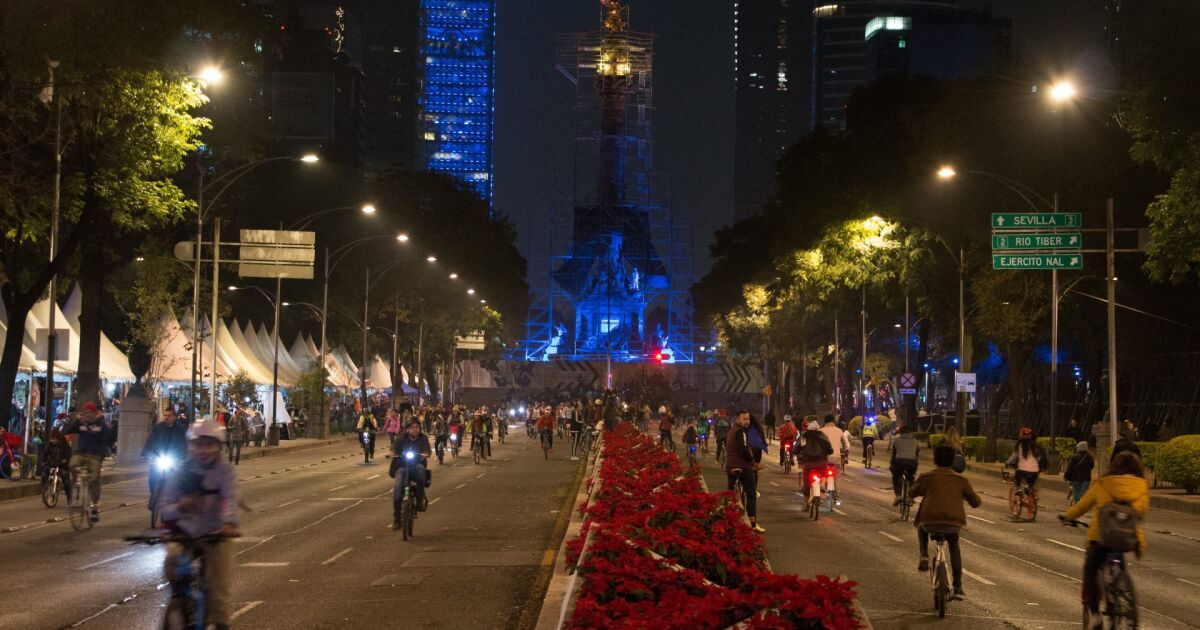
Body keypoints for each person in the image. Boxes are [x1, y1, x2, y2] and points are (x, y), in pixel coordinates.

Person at [159, 420, 240, 630]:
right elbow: (165, 507)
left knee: (219, 590)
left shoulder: (224, 472)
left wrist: (228, 524)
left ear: (218, 447)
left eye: (208, 445)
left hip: (215, 534)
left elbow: (228, 501)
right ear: (190, 446)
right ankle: (179, 602)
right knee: (172, 561)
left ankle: (221, 623)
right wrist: (181, 507)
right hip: (184, 532)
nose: (202, 450)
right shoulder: (179, 471)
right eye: (197, 444)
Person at [1060, 452, 1149, 628]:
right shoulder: (1141, 486)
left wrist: (1068, 516)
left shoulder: (1104, 483)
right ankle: (1121, 596)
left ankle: (1094, 613)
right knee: (1119, 569)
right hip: (1126, 539)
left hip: (1100, 538)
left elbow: (1083, 504)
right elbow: (1141, 513)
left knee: (1090, 571)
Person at [912, 444, 983, 601]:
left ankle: (923, 555)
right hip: (953, 523)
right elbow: (976, 502)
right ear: (952, 461)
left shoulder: (927, 477)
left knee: (921, 525)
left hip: (930, 522)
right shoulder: (961, 480)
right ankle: (958, 587)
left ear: (935, 460)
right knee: (954, 546)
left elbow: (912, 492)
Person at [63, 402, 110, 523]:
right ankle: (76, 485)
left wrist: (100, 420)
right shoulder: (81, 423)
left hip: (96, 454)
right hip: (82, 452)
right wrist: (76, 420)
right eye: (86, 413)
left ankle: (94, 506)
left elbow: (107, 435)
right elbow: (66, 431)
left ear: (95, 413)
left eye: (90, 413)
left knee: (94, 479)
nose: (88, 415)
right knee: (72, 464)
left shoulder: (100, 423)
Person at [726, 411, 765, 533]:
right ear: (738, 419)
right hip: (743, 466)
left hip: (730, 465)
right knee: (751, 495)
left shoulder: (732, 430)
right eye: (744, 419)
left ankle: (727, 519)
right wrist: (752, 462)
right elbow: (743, 449)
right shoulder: (741, 431)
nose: (747, 421)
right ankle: (752, 523)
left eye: (748, 419)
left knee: (729, 495)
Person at [391, 419, 433, 529]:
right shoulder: (401, 438)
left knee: (421, 471)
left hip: (417, 464)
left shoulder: (423, 438)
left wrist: (425, 454)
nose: (415, 430)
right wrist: (392, 454)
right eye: (412, 427)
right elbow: (394, 449)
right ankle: (396, 519)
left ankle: (419, 497)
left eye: (417, 427)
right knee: (398, 488)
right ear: (407, 429)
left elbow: (427, 451)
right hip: (403, 466)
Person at [798, 420, 833, 498]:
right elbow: (830, 450)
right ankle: (822, 485)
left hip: (808, 464)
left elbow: (796, 449)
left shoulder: (804, 437)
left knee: (806, 481)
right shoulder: (824, 437)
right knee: (824, 473)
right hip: (821, 464)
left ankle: (805, 503)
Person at [1005, 427, 1046, 493]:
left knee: (1017, 474)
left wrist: (1007, 463)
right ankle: (1029, 488)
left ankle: (1018, 488)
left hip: (1022, 471)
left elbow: (1013, 457)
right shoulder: (1034, 446)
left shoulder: (1019, 445)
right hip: (1035, 472)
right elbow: (1039, 457)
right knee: (1030, 485)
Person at [38, 428, 72, 501]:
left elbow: (68, 453)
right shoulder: (49, 445)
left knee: (66, 479)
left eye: (54, 439)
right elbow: (45, 453)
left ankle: (69, 498)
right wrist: (43, 461)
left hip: (62, 466)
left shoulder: (64, 444)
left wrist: (65, 460)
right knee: (44, 476)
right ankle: (45, 493)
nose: (52, 441)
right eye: (51, 439)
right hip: (51, 464)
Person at [890, 424, 920, 506]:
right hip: (912, 462)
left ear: (900, 432)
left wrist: (892, 466)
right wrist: (915, 466)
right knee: (911, 477)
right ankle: (910, 496)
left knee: (896, 477)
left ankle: (898, 495)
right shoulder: (915, 441)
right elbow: (917, 454)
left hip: (900, 462)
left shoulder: (896, 440)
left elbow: (893, 455)